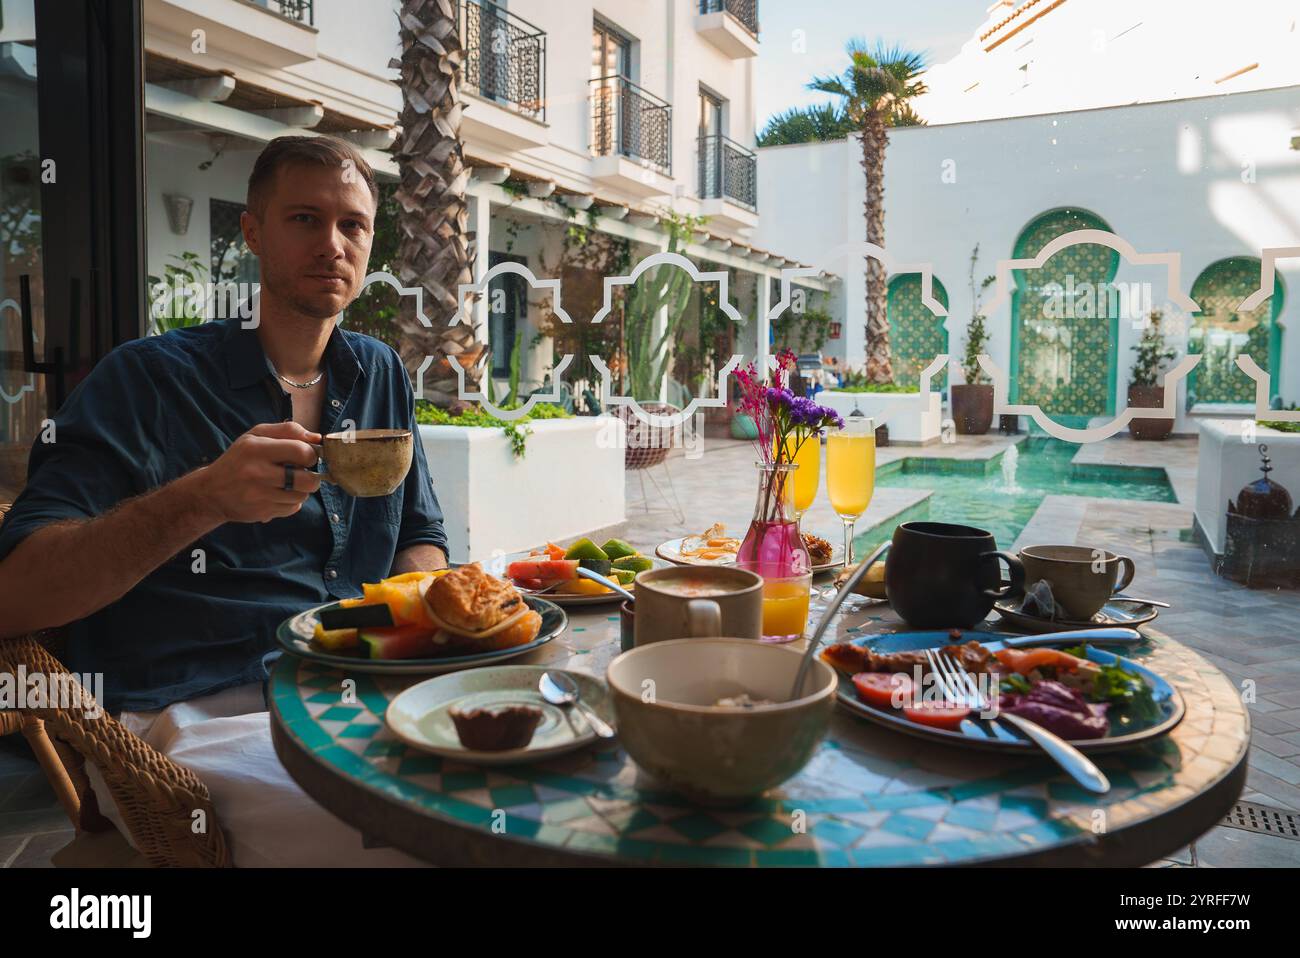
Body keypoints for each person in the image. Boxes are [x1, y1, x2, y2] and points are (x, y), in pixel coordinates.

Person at [0, 135, 445, 865]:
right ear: (251, 231)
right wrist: (203, 498)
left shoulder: (377, 371)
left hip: (359, 690)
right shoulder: (147, 380)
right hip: (201, 713)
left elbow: (420, 531)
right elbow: (14, 597)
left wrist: (412, 619)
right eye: (304, 218)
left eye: (353, 225)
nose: (332, 244)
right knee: (420, 841)